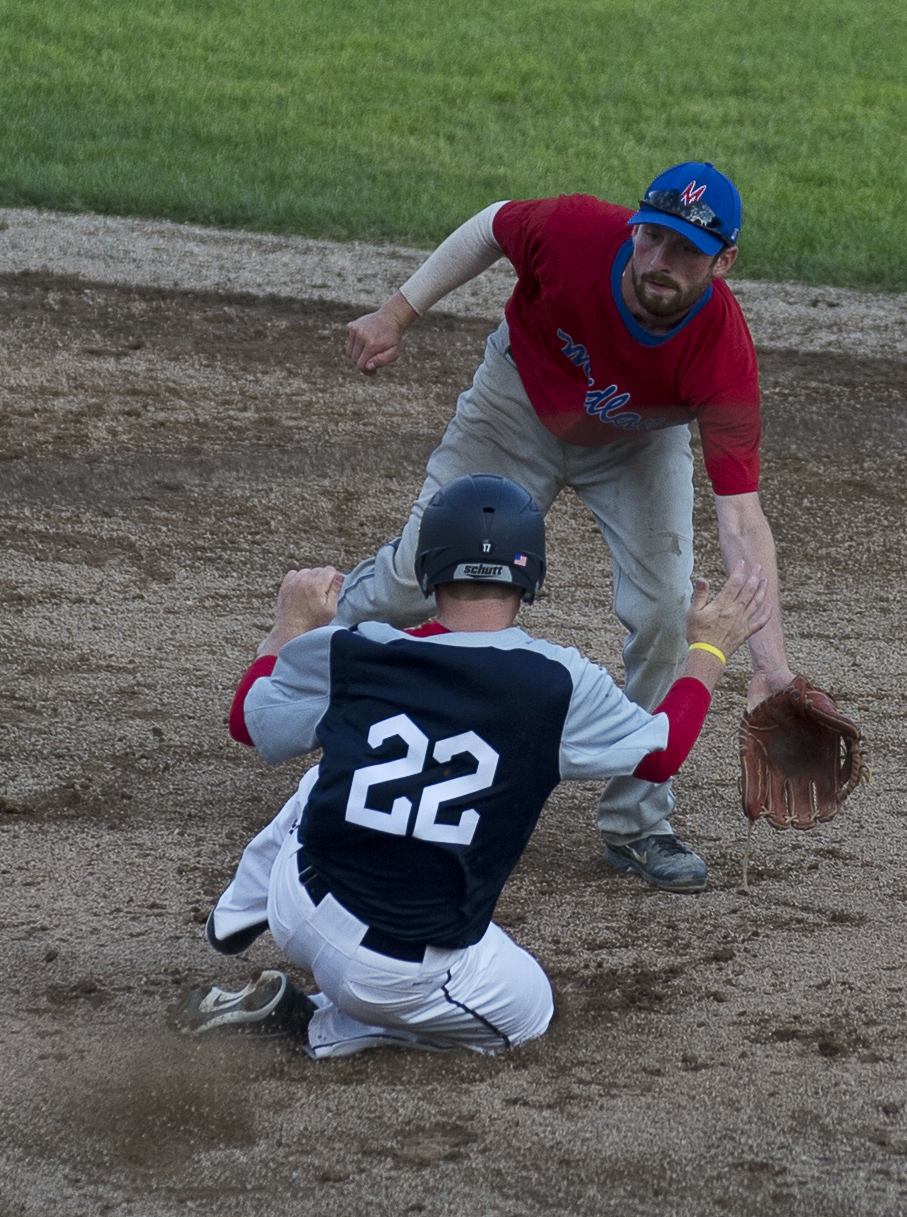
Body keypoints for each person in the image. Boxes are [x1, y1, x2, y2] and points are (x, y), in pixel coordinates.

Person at [179, 475, 770, 1056]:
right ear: (530, 574)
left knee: (332, 766)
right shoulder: (557, 683)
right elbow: (661, 754)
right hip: (388, 973)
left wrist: (289, 625)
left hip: (297, 904)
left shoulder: (357, 648)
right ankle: (313, 1023)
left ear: (428, 568)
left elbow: (246, 720)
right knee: (531, 1012)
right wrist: (709, 647)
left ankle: (243, 906)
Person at [335, 162, 794, 893]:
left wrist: (771, 662)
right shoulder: (575, 232)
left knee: (667, 615)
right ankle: (312, 654)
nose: (661, 262)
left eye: (687, 252)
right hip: (517, 402)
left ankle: (639, 822)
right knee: (410, 580)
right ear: (636, 227)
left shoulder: (723, 352)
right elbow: (489, 224)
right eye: (654, 238)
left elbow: (741, 515)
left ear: (724, 262)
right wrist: (396, 313)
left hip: (637, 445)